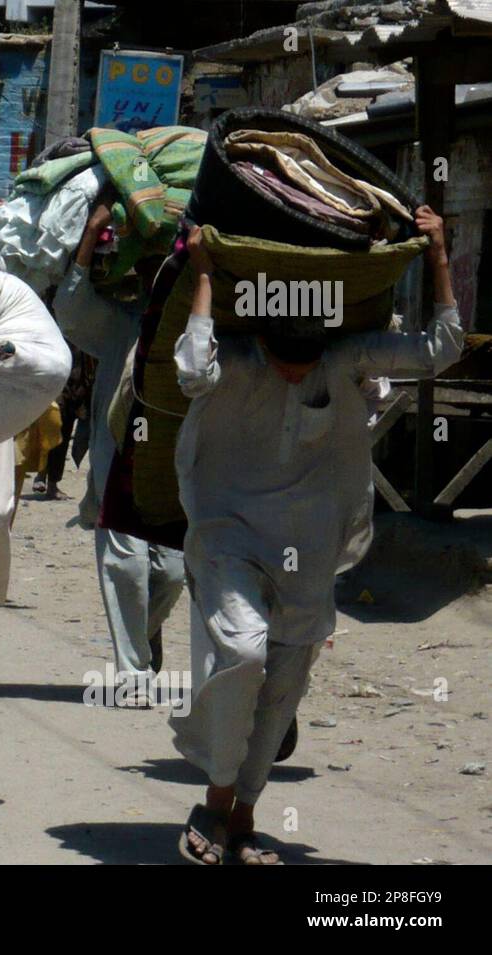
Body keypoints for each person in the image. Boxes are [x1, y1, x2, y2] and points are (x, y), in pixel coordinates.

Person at [172, 207, 463, 865]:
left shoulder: (347, 355)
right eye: (286, 355)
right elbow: (191, 369)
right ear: (263, 336)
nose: (298, 371)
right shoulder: (238, 360)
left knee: (284, 687)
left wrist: (439, 254)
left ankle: (243, 818)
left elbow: (441, 348)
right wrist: (204, 275)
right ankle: (215, 799)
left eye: (308, 358)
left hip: (311, 545)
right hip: (228, 535)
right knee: (244, 654)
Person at [53, 191, 186, 704]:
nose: (159, 277)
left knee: (172, 573)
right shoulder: (117, 322)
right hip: (118, 465)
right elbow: (69, 307)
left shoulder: (199, 328)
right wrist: (91, 233)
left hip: (176, 466)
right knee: (126, 565)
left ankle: (142, 631)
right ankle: (134, 674)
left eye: (168, 267)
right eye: (152, 267)